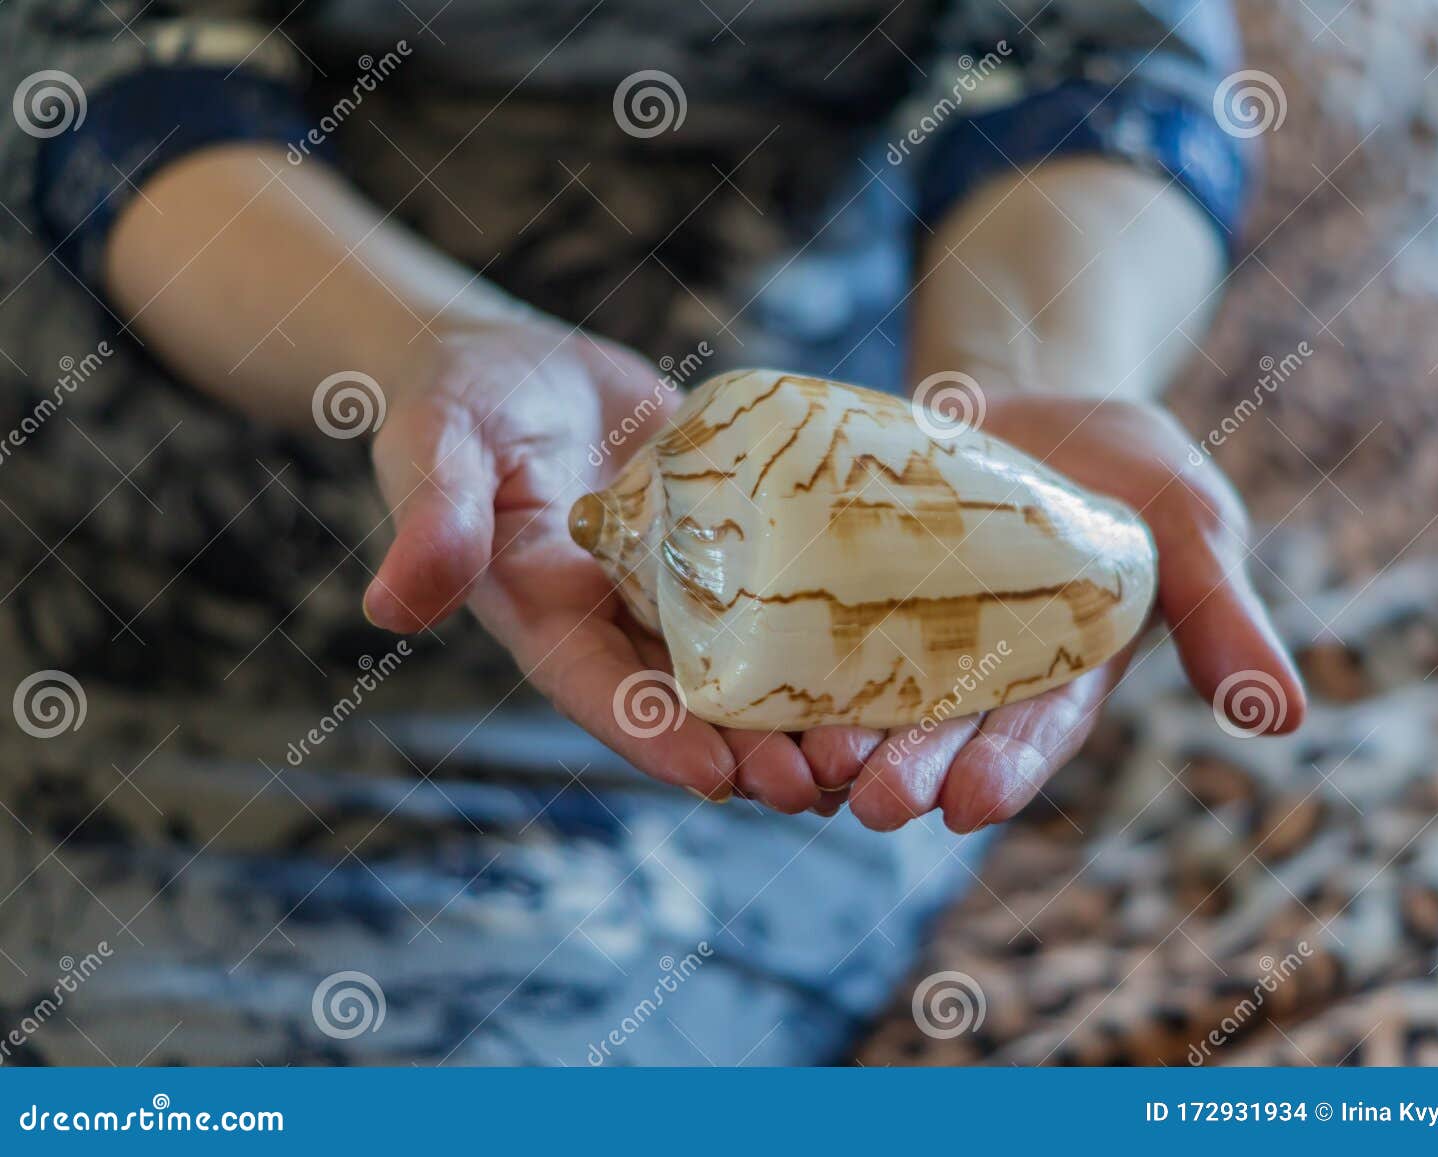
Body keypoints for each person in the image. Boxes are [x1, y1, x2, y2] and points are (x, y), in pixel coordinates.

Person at [0, 0, 1302, 1064]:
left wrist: (1011, 393)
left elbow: (1098, 50)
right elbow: (101, 53)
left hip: (650, 721)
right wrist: (427, 350)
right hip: (90, 583)